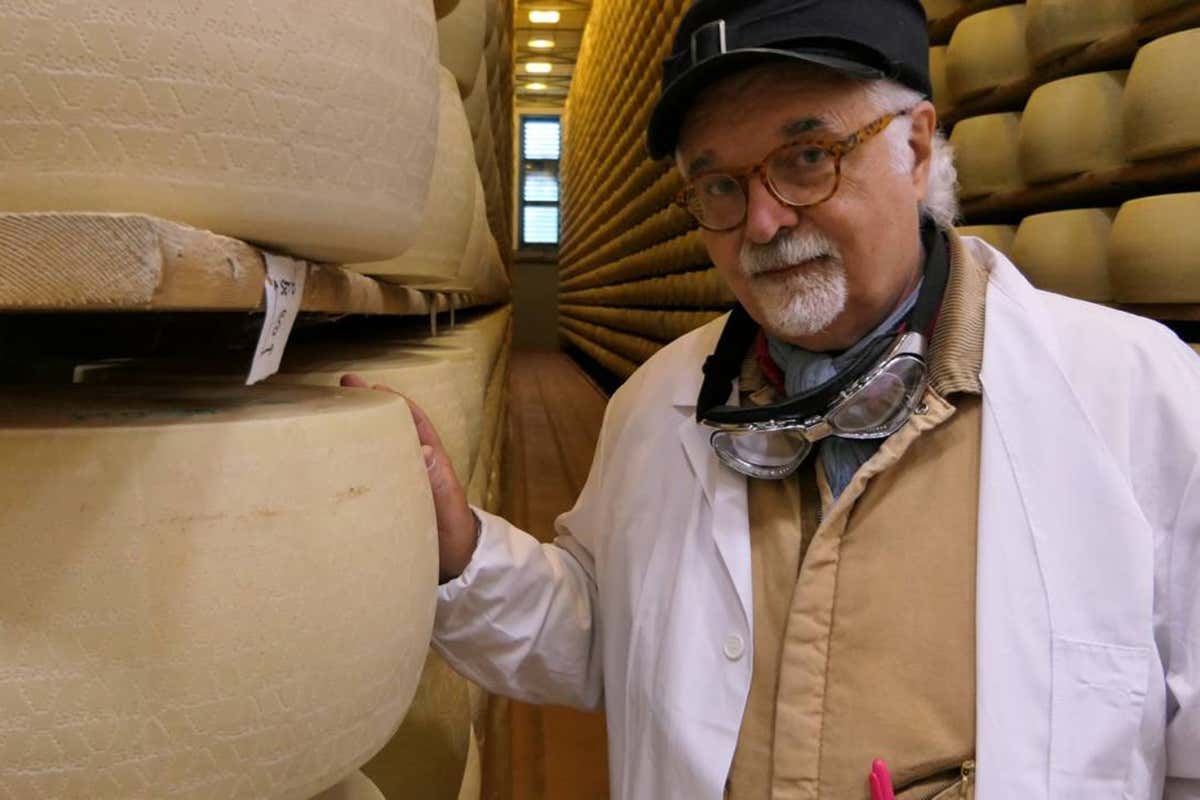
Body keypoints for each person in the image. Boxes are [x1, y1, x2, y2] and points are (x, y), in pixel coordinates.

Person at [347, 1, 1200, 797]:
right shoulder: (656, 408)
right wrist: (464, 552)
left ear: (914, 147)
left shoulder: (1137, 396)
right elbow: (603, 633)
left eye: (806, 158)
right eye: (718, 184)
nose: (761, 222)